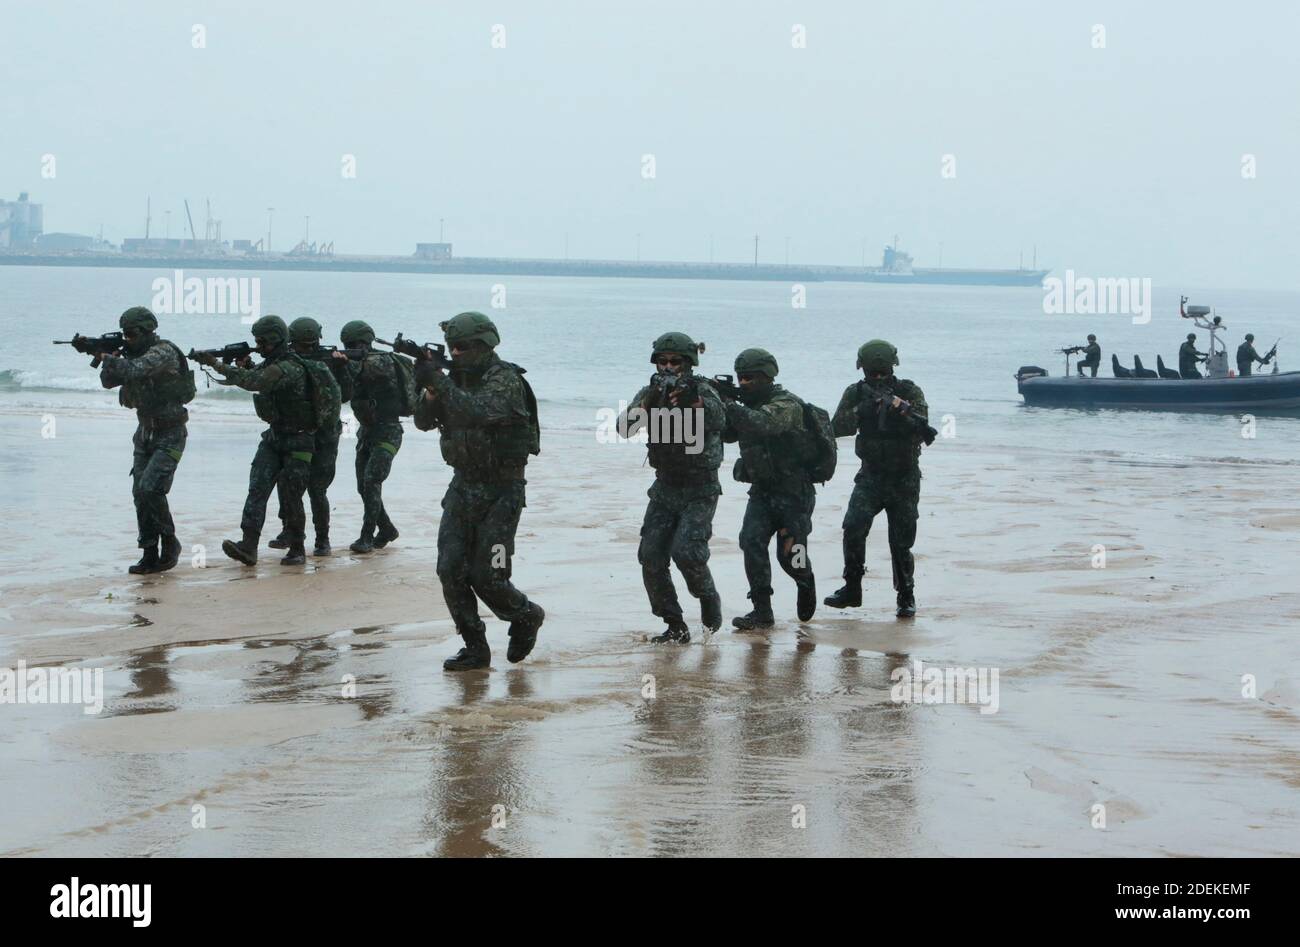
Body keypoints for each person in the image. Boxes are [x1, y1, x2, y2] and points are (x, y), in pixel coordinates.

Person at [413, 312, 545, 671]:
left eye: (464, 347)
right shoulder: (455, 380)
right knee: (450, 568)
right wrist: (427, 387)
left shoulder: (504, 380)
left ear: (486, 344)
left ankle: (525, 615)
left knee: (489, 573)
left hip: (503, 492)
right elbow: (423, 422)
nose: (456, 354)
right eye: (451, 349)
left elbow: (478, 411)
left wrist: (440, 382)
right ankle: (474, 647)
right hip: (462, 486)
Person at [618, 332, 725, 644]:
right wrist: (649, 402)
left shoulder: (702, 389)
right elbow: (624, 428)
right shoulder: (651, 392)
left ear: (688, 363)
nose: (668, 367)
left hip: (700, 487)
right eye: (663, 361)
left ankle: (708, 598)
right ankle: (674, 624)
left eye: (675, 362)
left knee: (688, 553)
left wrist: (697, 403)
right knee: (650, 556)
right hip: (665, 486)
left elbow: (720, 418)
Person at [193, 315, 314, 565]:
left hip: (299, 440)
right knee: (256, 490)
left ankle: (298, 547)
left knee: (291, 496)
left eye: (263, 342)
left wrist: (216, 363)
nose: (259, 346)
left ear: (278, 340)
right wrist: (240, 365)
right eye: (257, 341)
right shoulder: (273, 363)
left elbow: (254, 382)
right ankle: (249, 545)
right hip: (274, 437)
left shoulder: (289, 367)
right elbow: (250, 377)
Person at [825, 340, 930, 618]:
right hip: (871, 476)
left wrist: (901, 414)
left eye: (883, 372)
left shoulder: (909, 391)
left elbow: (922, 428)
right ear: (864, 370)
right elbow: (835, 428)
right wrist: (862, 410)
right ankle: (852, 588)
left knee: (901, 540)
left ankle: (906, 594)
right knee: (853, 527)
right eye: (873, 373)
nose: (878, 378)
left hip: (904, 478)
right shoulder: (856, 392)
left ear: (892, 368)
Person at [720, 348, 817, 629]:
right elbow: (727, 434)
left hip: (794, 494)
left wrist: (731, 405)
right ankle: (762, 610)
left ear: (767, 376)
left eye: (750, 378)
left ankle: (805, 579)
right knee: (750, 541)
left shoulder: (786, 404)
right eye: (741, 379)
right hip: (762, 492)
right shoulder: (745, 406)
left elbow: (764, 424)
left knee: (789, 554)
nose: (744, 384)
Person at [96, 306, 193, 574]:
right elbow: (108, 382)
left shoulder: (163, 351)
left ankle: (170, 542)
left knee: (151, 488)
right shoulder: (130, 355)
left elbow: (138, 370)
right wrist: (109, 358)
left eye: (132, 334)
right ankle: (149, 552)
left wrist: (110, 357)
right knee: (140, 493)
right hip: (144, 433)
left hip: (170, 433)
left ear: (147, 330)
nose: (128, 339)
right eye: (125, 335)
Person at [266, 318, 348, 556]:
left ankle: (322, 539)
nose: (307, 350)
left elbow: (346, 394)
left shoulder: (329, 361)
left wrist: (342, 368)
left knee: (314, 489)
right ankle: (292, 532)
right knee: (290, 485)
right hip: (305, 433)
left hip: (322, 434)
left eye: (309, 346)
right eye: (303, 346)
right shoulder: (288, 361)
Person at [337, 320, 403, 554]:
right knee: (362, 486)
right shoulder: (356, 363)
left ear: (366, 342)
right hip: (366, 432)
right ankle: (386, 529)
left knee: (371, 481)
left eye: (355, 344)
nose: (351, 348)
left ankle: (367, 537)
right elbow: (345, 392)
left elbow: (365, 370)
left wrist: (345, 363)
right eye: (348, 345)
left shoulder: (382, 361)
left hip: (389, 431)